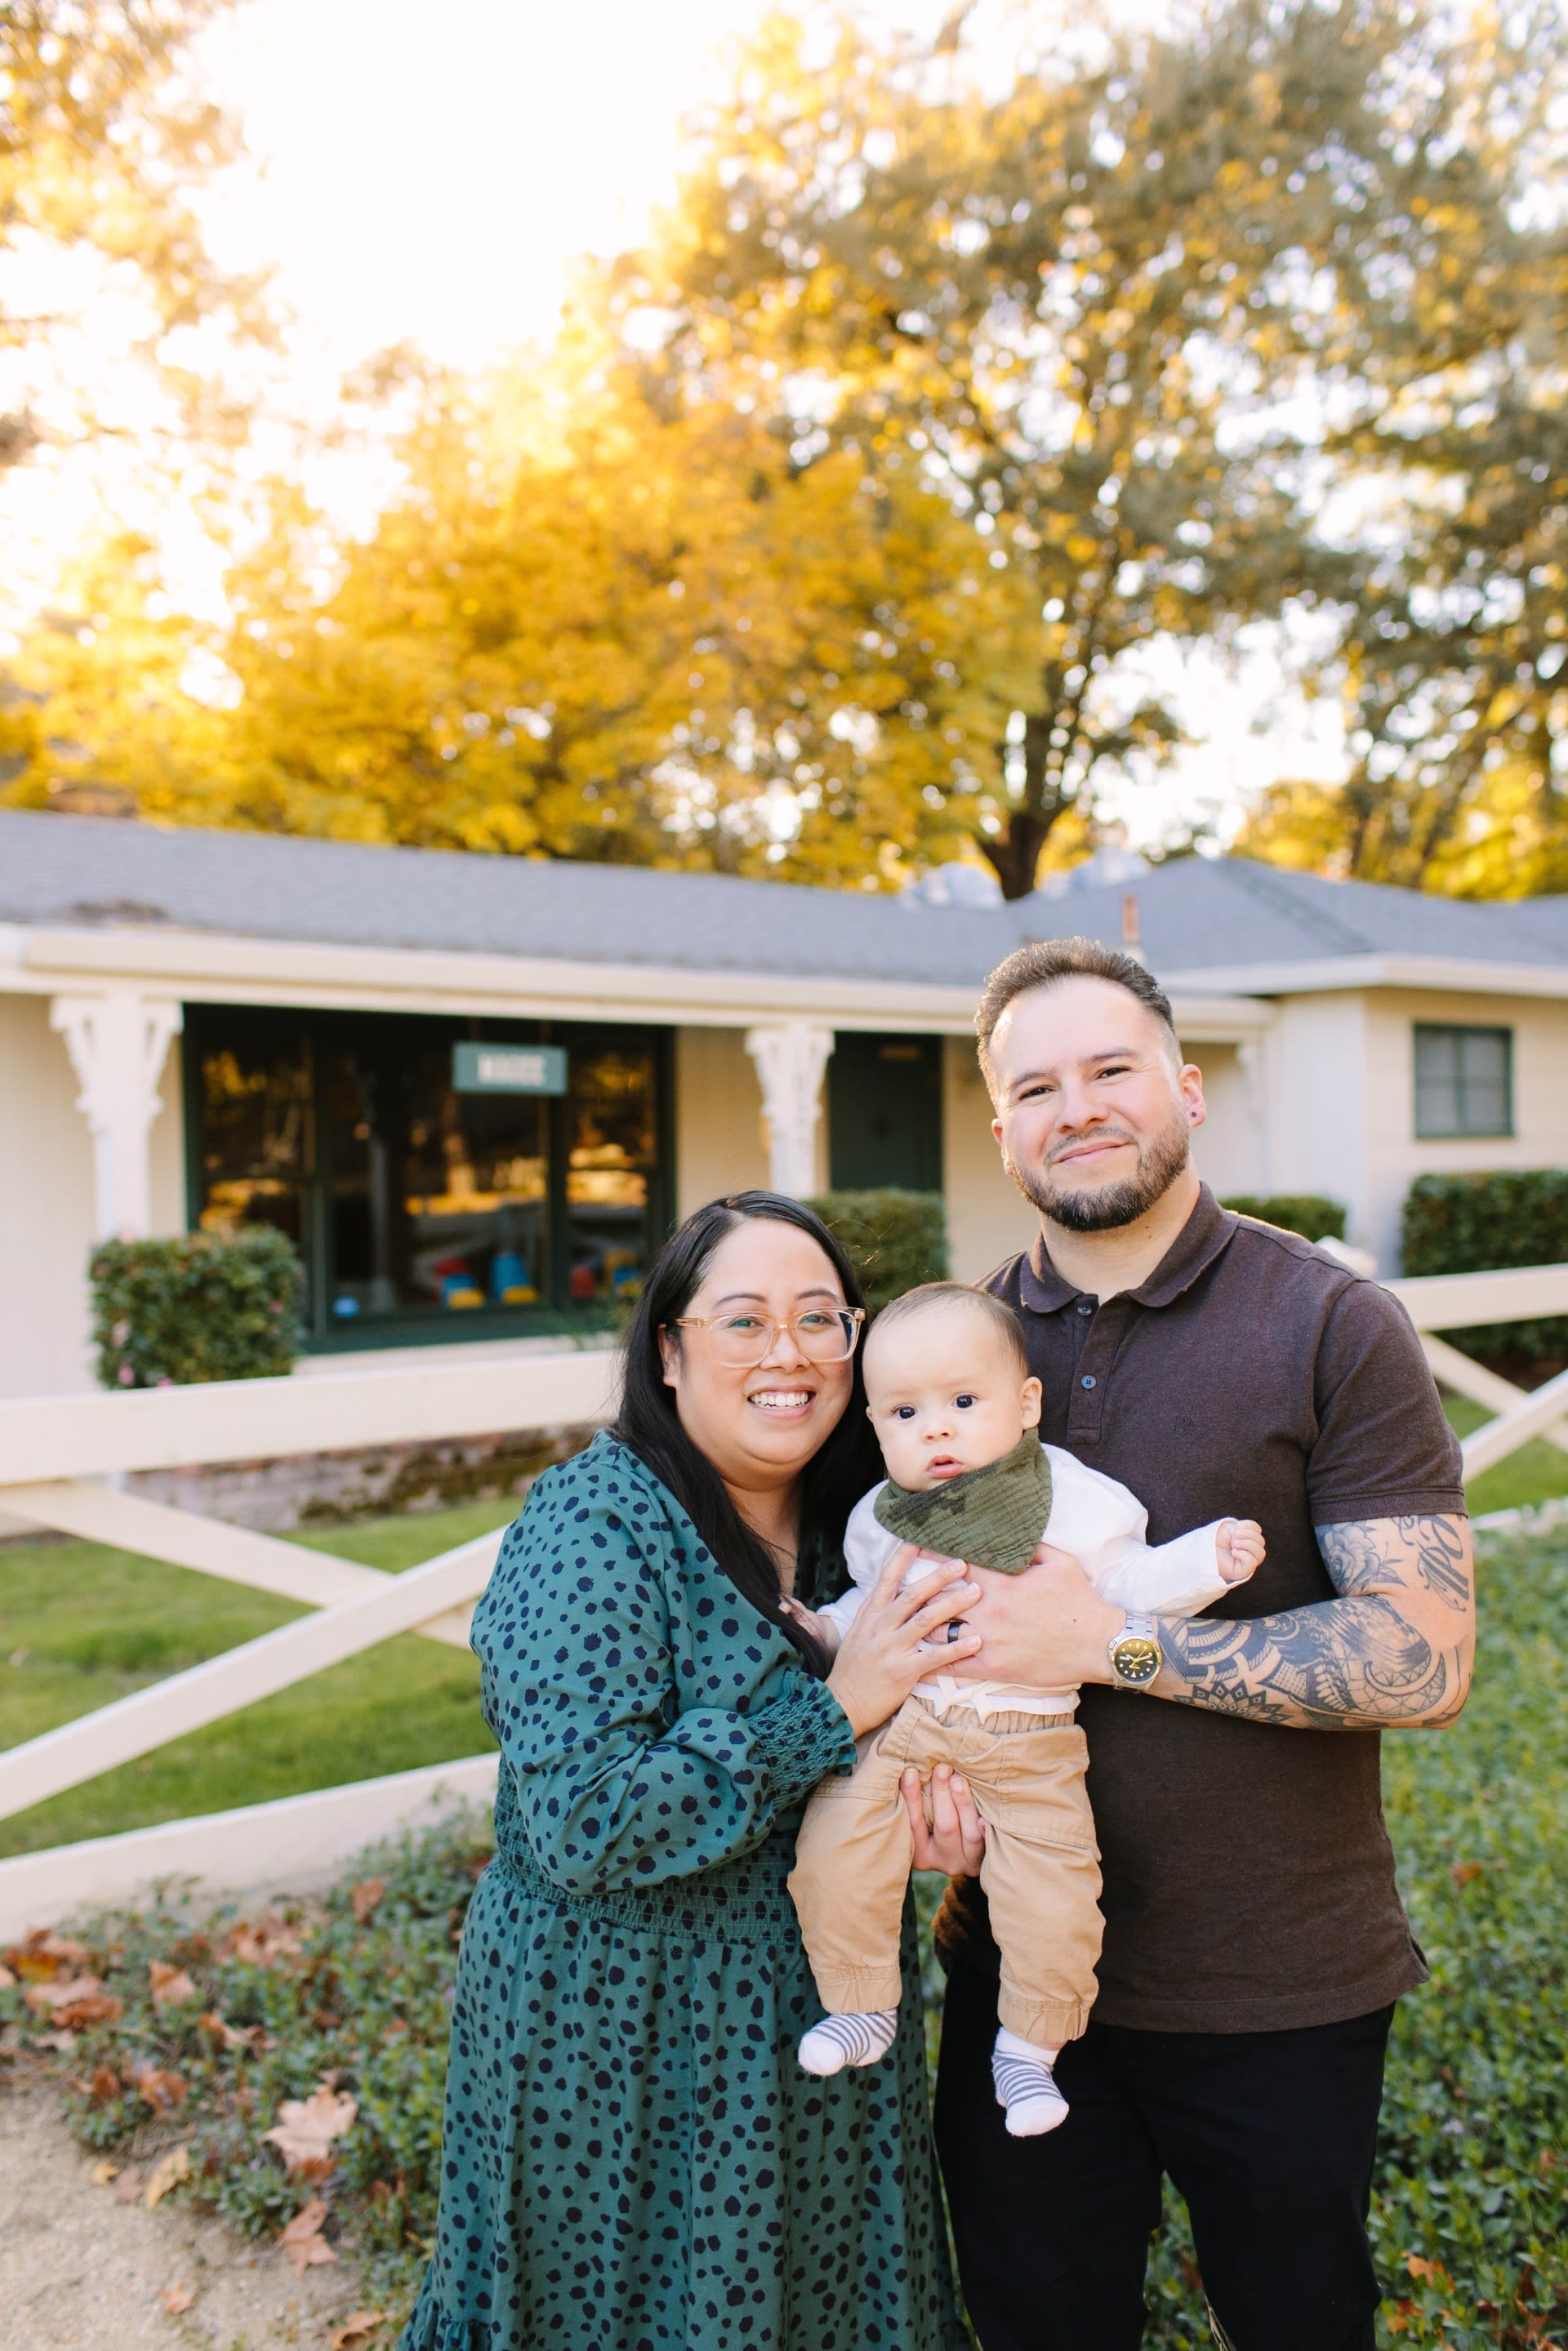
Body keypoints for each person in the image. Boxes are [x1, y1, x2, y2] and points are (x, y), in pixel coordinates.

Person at [925, 937, 1475, 2351]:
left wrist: (1118, 1640)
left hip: (1277, 1981)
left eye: (1112, 1066)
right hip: (1020, 1982)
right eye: (1035, 1084)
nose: (1079, 1104)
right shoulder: (965, 1341)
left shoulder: (1329, 1320)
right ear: (1003, 1131)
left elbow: (1424, 1653)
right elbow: (910, 1600)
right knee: (1039, 2322)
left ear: (1187, 1083)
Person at [398, 1191, 972, 2351]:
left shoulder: (862, 1529)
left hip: (822, 2036)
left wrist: (948, 1829)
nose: (791, 1352)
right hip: (621, 2048)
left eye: (822, 1318)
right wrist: (831, 1709)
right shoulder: (597, 1520)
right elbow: (583, 1816)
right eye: (745, 1318)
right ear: (669, 1348)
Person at [782, 1280, 1264, 2137]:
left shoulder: (1072, 1499)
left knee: (1056, 1892)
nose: (935, 1427)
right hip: (913, 1725)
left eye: (964, 1401)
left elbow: (1129, 1586)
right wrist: (828, 1631)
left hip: (1030, 1737)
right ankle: (860, 2002)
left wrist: (1206, 1562)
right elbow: (873, 1606)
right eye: (903, 1412)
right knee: (834, 1842)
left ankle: (1029, 2048)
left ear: (1026, 1402)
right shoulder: (882, 1518)